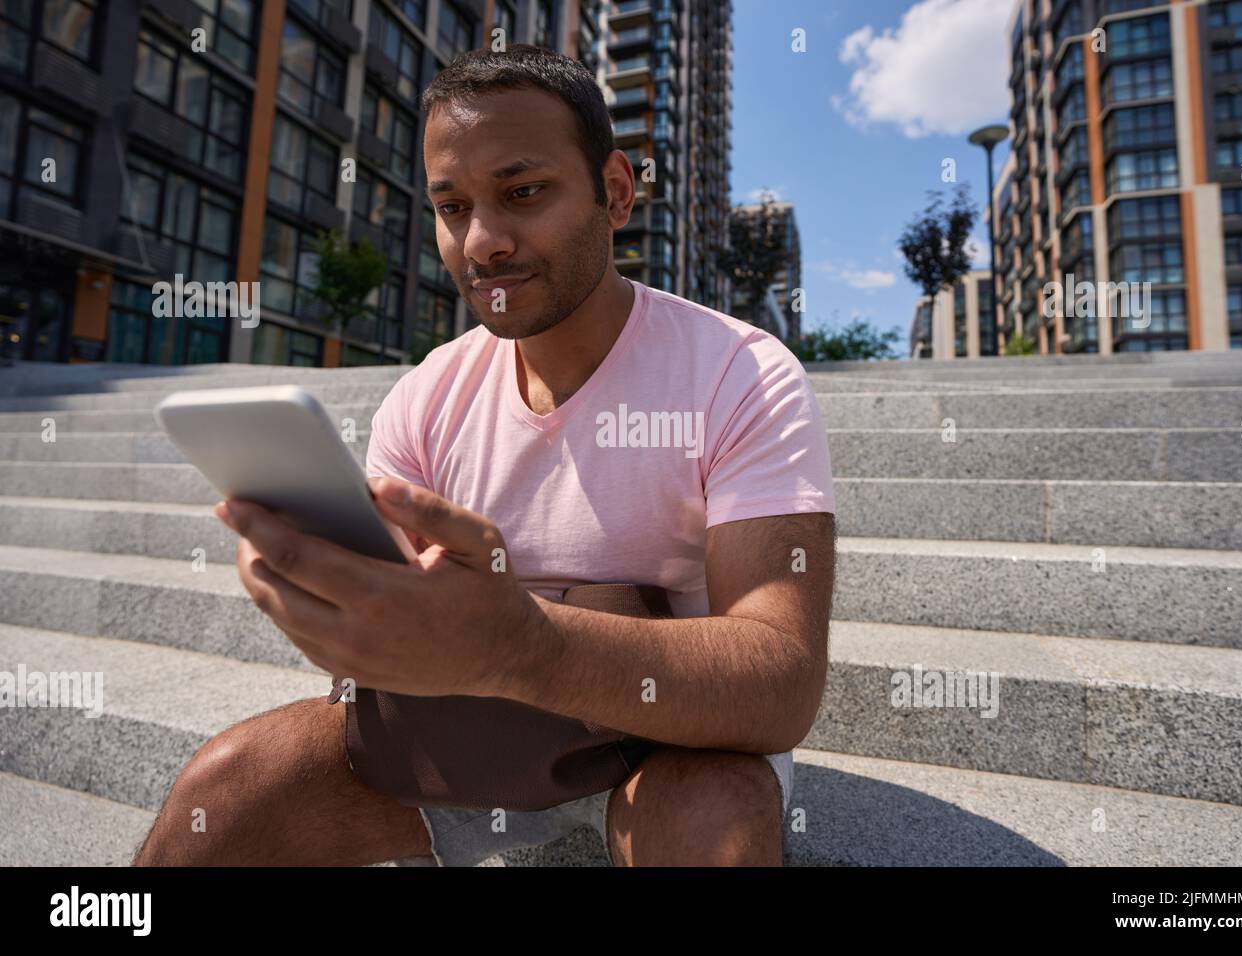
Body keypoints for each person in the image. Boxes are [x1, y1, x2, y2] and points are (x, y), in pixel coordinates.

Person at [132, 43, 835, 868]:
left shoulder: (740, 374)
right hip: (466, 740)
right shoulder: (426, 397)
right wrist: (339, 610)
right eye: (453, 205)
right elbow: (394, 639)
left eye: (523, 192)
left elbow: (780, 682)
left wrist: (522, 645)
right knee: (227, 788)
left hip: (674, 744)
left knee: (709, 820)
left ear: (614, 192)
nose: (484, 242)